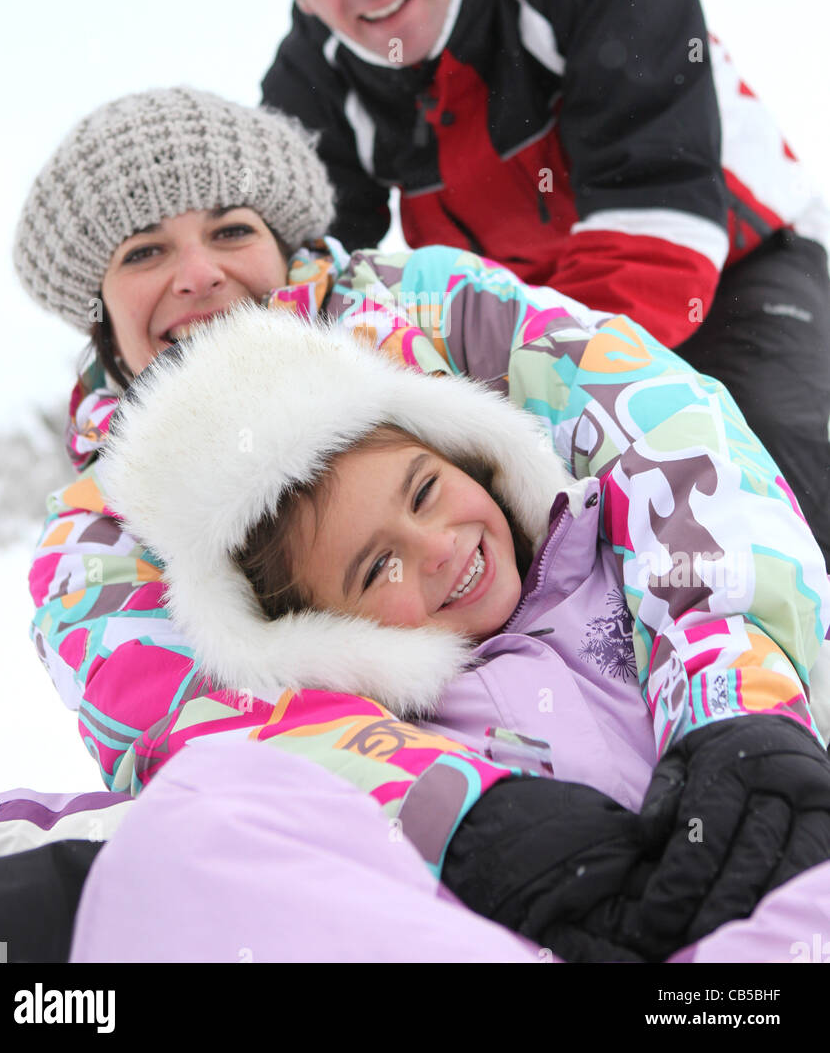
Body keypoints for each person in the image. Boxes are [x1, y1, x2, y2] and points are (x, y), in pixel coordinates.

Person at [97, 301, 830, 961]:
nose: (438, 547)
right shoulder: (406, 740)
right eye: (376, 566)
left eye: (423, 490)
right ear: (321, 633)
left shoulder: (628, 563)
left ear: (466, 450)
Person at [221, 0, 830, 563]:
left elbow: (657, 220)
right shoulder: (313, 85)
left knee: (744, 480)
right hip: (531, 329)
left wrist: (531, 427)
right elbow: (292, 285)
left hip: (735, 264)